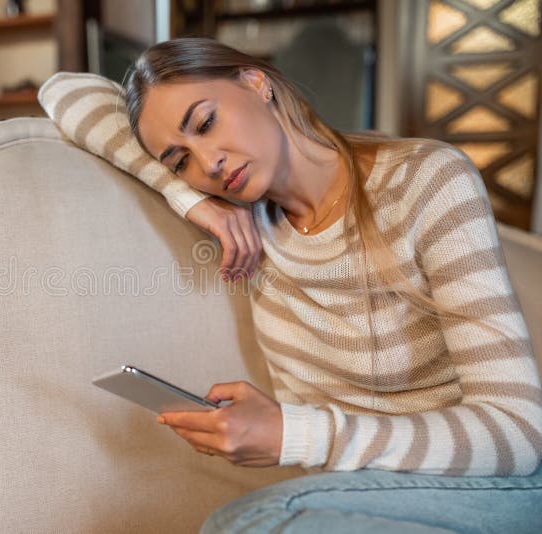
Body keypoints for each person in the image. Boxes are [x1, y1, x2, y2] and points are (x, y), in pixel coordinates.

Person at [123, 37, 542, 533]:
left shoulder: (425, 181)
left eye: (207, 123)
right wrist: (190, 201)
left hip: (489, 487)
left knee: (248, 523)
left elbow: (518, 431)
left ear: (255, 82)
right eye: (179, 161)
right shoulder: (247, 225)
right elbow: (68, 94)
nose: (207, 163)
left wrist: (297, 434)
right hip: (356, 498)